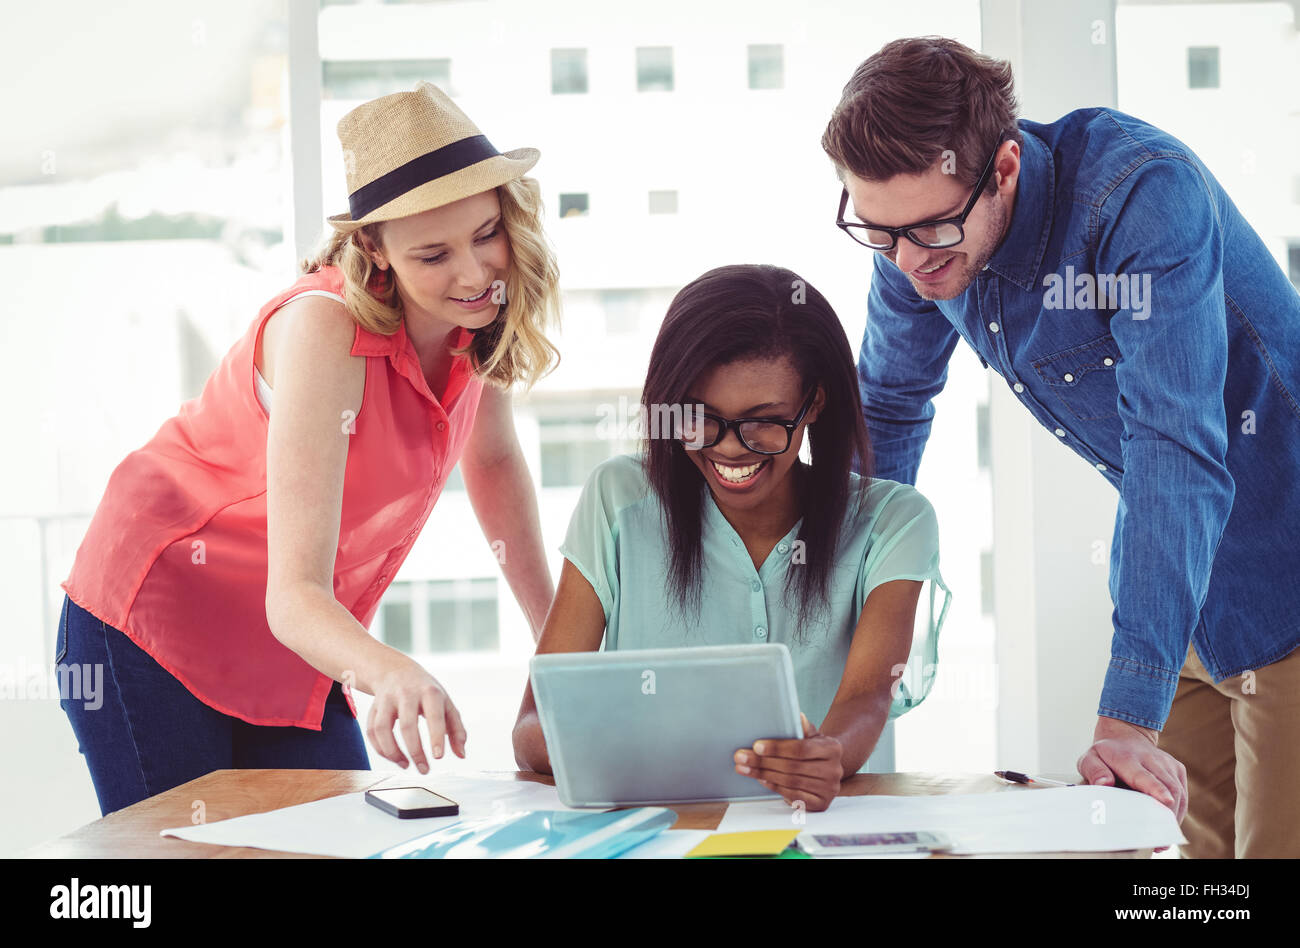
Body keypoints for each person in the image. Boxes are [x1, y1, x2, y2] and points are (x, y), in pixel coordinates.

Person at [823, 36, 1300, 856]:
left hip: (1283, 575)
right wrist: (840, 619)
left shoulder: (1141, 198)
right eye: (877, 230)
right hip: (1168, 595)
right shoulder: (912, 239)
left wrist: (1126, 716)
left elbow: (1173, 447)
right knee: (1188, 881)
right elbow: (890, 409)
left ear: (1004, 168)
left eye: (930, 230)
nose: (905, 263)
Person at [57, 82, 561, 815]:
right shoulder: (326, 331)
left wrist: (557, 644)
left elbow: (491, 461)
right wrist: (390, 671)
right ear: (374, 250)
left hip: (290, 647)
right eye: (433, 253)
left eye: (487, 234)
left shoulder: (475, 322)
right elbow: (293, 595)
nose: (475, 274)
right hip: (154, 618)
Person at [512, 264, 951, 812]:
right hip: (662, 841)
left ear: (813, 404)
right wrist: (630, 750)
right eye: (701, 418)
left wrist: (828, 756)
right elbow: (532, 726)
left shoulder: (893, 521)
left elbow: (868, 697)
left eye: (763, 422)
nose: (729, 449)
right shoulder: (619, 498)